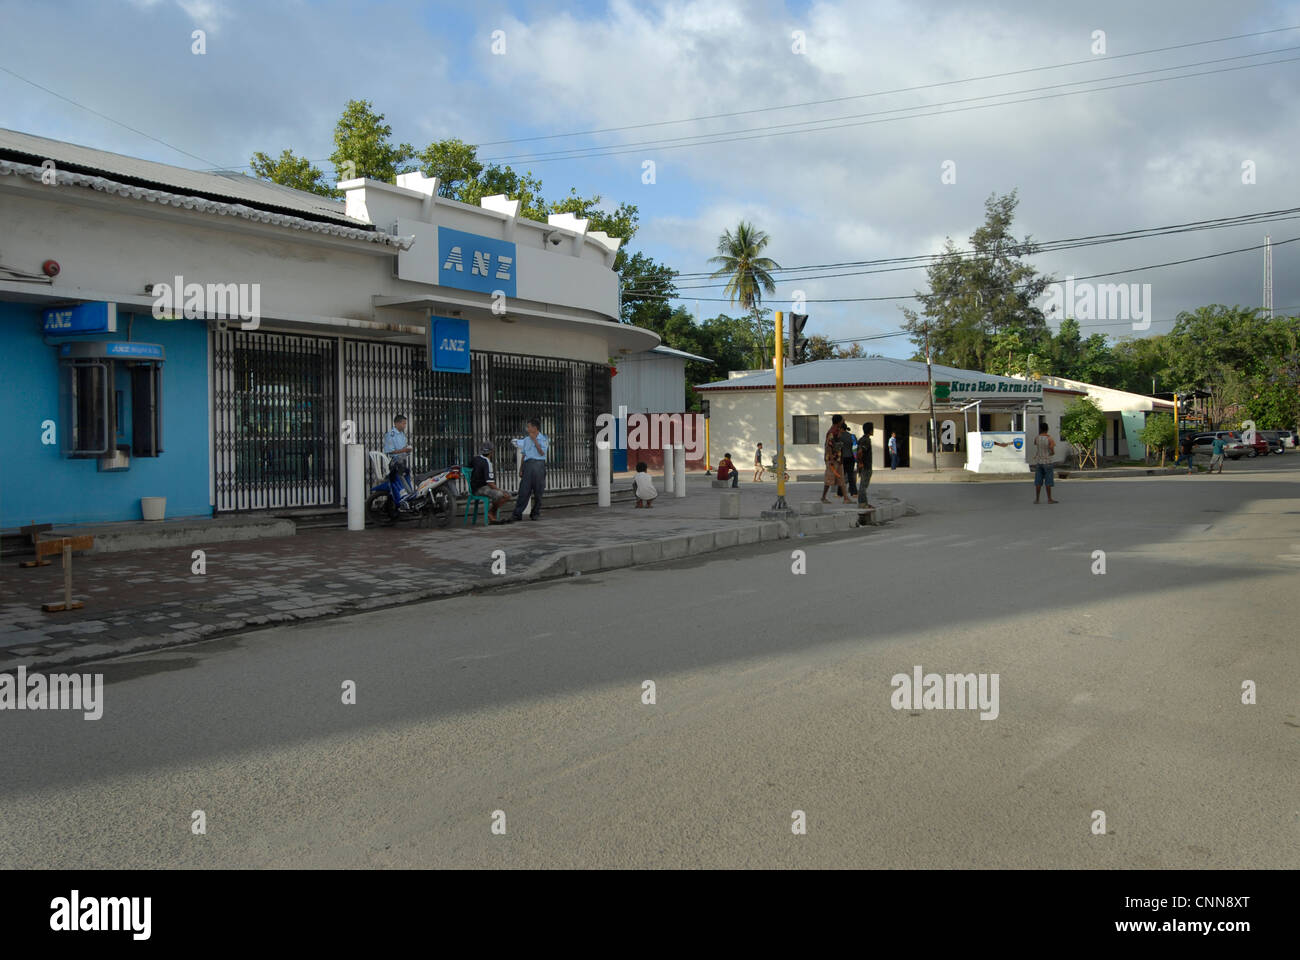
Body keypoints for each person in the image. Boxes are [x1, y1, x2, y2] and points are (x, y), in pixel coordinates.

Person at [510, 418, 548, 521]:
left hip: (539, 466)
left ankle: (535, 513)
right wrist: (521, 468)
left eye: (529, 427)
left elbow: (542, 453)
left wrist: (535, 440)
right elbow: (524, 455)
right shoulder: (526, 440)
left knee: (538, 492)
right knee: (523, 491)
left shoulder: (543, 439)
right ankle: (517, 514)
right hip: (528, 465)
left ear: (535, 428)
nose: (527, 429)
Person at [469, 442, 512, 524]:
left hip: (474, 488)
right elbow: (490, 484)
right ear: (491, 452)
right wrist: (502, 491)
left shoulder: (475, 458)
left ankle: (492, 514)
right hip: (480, 489)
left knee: (500, 494)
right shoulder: (487, 463)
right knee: (504, 495)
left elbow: (468, 467)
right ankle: (491, 513)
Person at [383, 413, 414, 495]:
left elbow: (403, 448)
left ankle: (409, 493)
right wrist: (404, 450)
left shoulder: (402, 434)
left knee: (407, 475)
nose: (405, 426)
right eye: (403, 423)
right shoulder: (390, 435)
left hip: (402, 460)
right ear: (396, 423)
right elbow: (390, 451)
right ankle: (408, 493)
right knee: (401, 477)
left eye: (405, 424)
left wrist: (407, 450)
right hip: (394, 462)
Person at [821, 420, 851, 503]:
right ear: (839, 422)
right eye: (842, 420)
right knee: (829, 479)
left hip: (838, 459)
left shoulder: (837, 431)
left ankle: (846, 498)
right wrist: (830, 459)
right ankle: (823, 497)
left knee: (841, 479)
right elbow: (828, 447)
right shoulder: (832, 432)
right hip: (832, 460)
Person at [1031, 421, 1058, 504]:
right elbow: (1052, 450)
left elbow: (1036, 444)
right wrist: (1052, 453)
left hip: (1039, 461)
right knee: (1048, 481)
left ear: (1040, 429)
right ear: (1047, 429)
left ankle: (1037, 499)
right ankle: (1049, 499)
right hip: (1048, 462)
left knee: (1038, 481)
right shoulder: (1050, 438)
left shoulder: (1037, 438)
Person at [856, 426, 873, 507]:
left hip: (863, 465)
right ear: (869, 430)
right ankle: (862, 503)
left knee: (863, 485)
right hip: (865, 465)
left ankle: (863, 503)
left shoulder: (861, 439)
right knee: (863, 485)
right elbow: (859, 452)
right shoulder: (866, 440)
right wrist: (860, 462)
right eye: (872, 429)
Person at [839, 423, 857, 496]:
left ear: (842, 429)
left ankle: (840, 493)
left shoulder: (839, 437)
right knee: (851, 476)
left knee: (842, 476)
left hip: (843, 458)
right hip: (851, 457)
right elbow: (855, 447)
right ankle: (854, 492)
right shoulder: (852, 436)